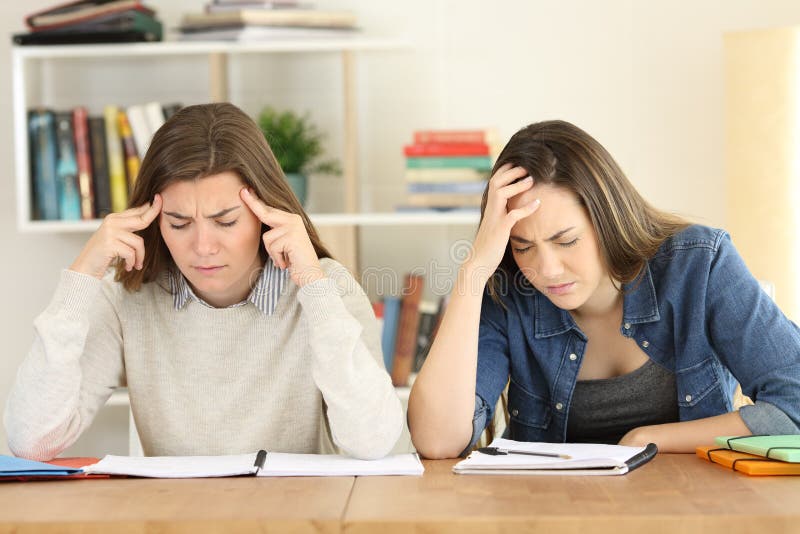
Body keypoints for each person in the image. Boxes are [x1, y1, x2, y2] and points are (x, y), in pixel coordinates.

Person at [5, 102, 403, 461]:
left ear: (266, 214)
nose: (202, 246)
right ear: (154, 221)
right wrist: (81, 278)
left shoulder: (325, 288)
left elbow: (373, 441)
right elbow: (32, 441)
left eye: (225, 221)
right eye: (179, 224)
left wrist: (313, 286)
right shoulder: (128, 295)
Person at [408, 120, 800, 458]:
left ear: (607, 220)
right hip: (546, 513)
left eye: (566, 241)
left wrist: (651, 439)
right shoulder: (510, 292)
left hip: (690, 511)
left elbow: (794, 402)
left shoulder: (699, 265)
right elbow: (438, 440)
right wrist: (474, 270)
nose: (545, 269)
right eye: (522, 246)